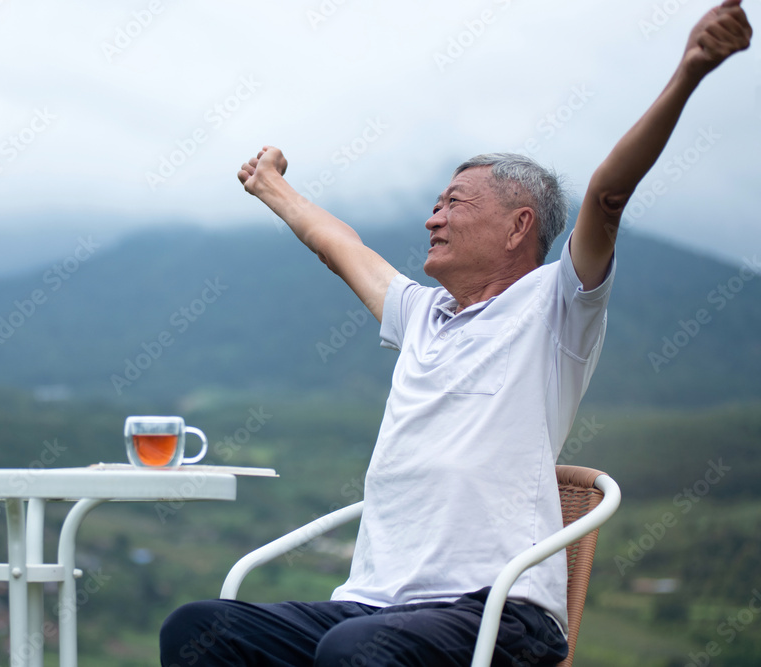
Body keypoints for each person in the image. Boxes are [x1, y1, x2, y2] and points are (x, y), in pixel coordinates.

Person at [160, 2, 752, 665]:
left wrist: (691, 69)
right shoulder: (420, 314)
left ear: (517, 225)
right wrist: (270, 185)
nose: (430, 221)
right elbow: (337, 246)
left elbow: (607, 196)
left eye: (452, 204)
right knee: (196, 628)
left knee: (354, 649)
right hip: (375, 605)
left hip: (498, 612)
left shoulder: (557, 307)